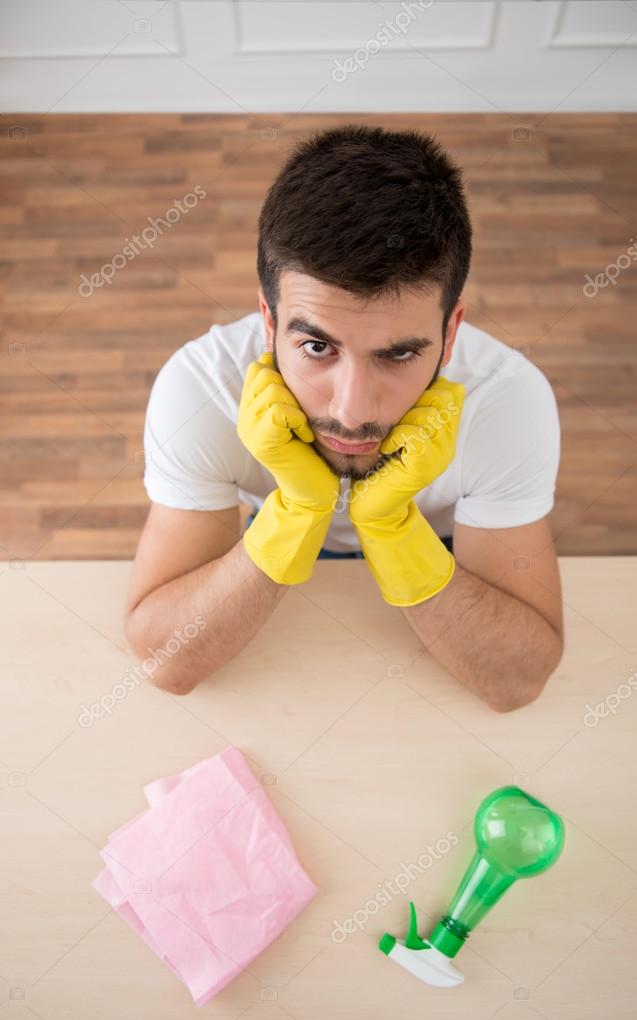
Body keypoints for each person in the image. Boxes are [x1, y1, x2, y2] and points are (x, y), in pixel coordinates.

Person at [124, 124, 563, 710]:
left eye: (400, 353)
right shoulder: (201, 387)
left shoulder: (509, 400)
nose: (351, 411)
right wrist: (297, 511)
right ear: (269, 321)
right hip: (273, 525)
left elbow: (517, 680)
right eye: (316, 348)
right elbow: (166, 663)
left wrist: (392, 528)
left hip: (441, 536)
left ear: (450, 332)